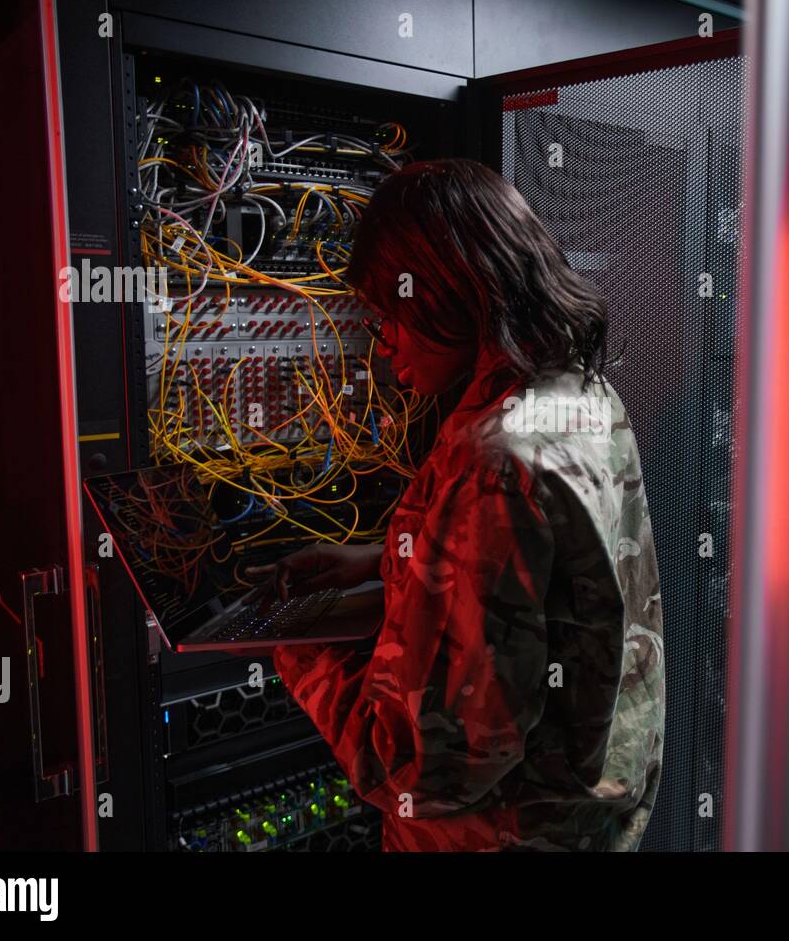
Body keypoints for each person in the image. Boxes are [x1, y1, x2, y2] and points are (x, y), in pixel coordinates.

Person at [248, 158, 663, 852]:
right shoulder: (581, 396)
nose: (384, 348)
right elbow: (554, 585)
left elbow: (424, 767)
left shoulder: (492, 460)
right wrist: (387, 560)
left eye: (391, 318)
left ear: (446, 295)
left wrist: (291, 641)